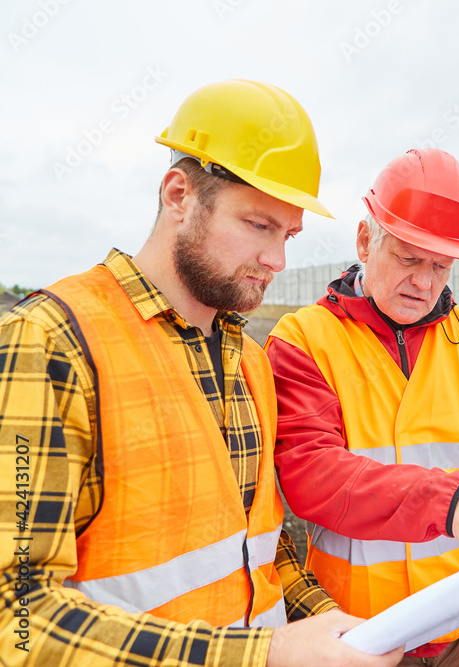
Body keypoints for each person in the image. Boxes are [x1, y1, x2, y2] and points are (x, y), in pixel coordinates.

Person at [0, 80, 402, 667]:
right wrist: (264, 654)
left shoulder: (251, 363)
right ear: (179, 195)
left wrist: (326, 624)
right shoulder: (49, 343)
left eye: (288, 234)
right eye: (258, 225)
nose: (278, 260)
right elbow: (18, 617)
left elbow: (256, 552)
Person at [265, 148, 459, 666]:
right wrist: (453, 502)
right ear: (365, 239)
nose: (425, 283)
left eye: (441, 266)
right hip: (363, 634)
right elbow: (313, 475)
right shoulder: (303, 341)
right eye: (408, 259)